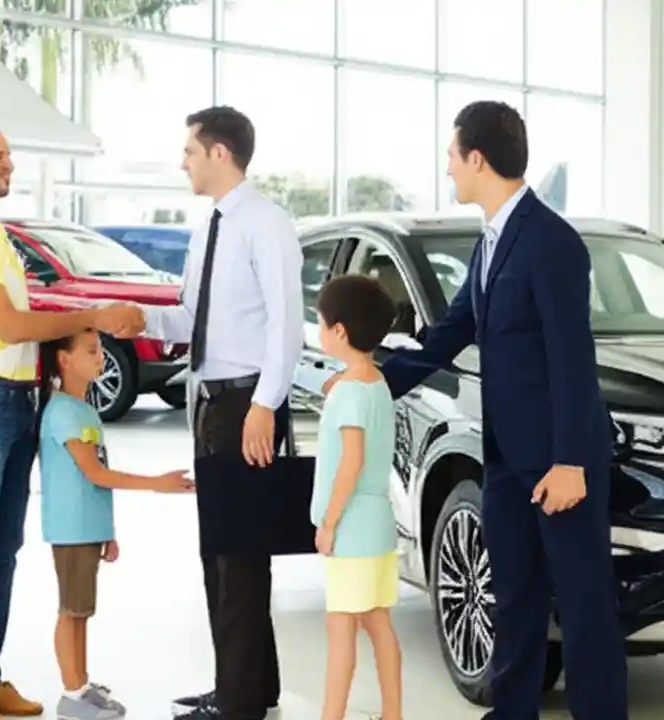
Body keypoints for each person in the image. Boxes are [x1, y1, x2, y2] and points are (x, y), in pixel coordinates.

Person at [365, 101, 627, 720]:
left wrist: (569, 462)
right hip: (507, 456)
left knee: (586, 605)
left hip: (560, 464)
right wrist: (373, 383)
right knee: (514, 594)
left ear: (477, 159)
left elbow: (572, 359)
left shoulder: (551, 241)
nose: (448, 167)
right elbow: (452, 329)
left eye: (452, 156)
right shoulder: (491, 242)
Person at [0, 123, 138, 720]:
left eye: (9, 156)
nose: (8, 165)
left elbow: (22, 314)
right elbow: (9, 326)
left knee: (1, 549)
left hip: (17, 399)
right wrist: (93, 313)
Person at [115, 105, 304, 720]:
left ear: (221, 152)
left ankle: (239, 702)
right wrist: (142, 320)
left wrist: (264, 406)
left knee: (240, 557)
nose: (184, 162)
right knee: (219, 553)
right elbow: (192, 320)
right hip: (212, 403)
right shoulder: (211, 226)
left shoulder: (266, 223)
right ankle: (244, 686)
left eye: (191, 151)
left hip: (246, 403)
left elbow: (287, 325)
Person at [36, 329, 196, 720]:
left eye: (100, 350)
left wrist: (106, 530)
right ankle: (71, 693)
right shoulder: (60, 413)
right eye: (91, 351)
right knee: (71, 610)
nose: (100, 357)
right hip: (71, 529)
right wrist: (157, 484)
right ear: (64, 360)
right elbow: (96, 474)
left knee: (82, 610)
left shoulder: (84, 409)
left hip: (87, 528)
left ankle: (81, 685)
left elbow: (96, 474)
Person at [310, 275, 403, 720]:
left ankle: (332, 716)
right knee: (377, 620)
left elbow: (350, 461)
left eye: (321, 322)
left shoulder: (348, 392)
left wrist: (328, 523)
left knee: (341, 625)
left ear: (340, 331)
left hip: (352, 526)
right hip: (379, 522)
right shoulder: (376, 381)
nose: (319, 330)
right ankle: (392, 713)